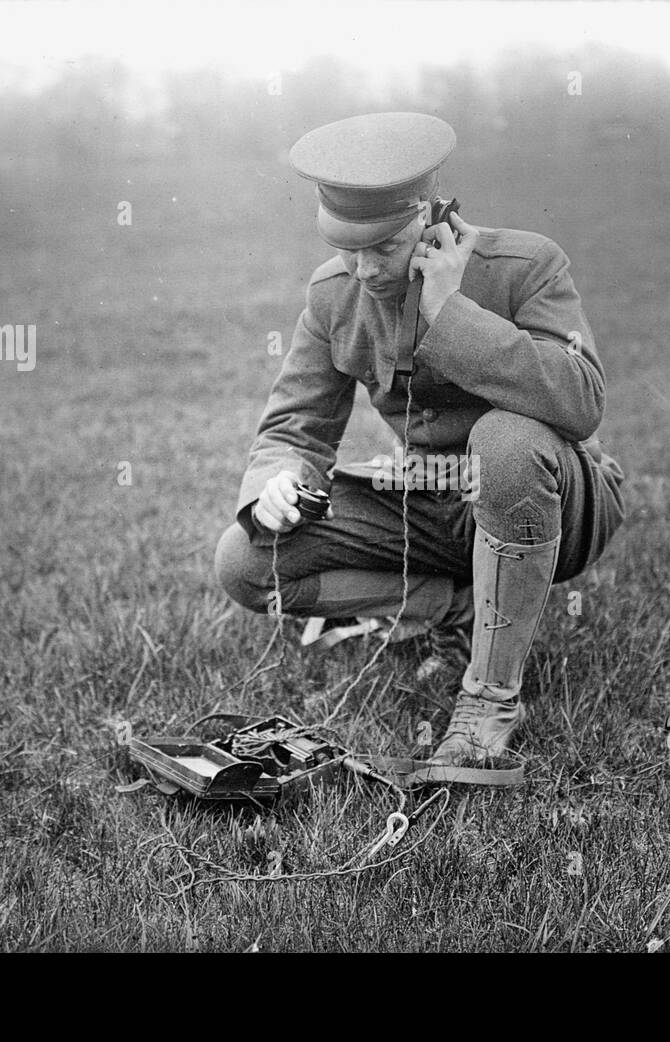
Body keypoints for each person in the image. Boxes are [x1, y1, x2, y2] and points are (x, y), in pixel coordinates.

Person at [214, 112, 625, 765]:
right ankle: (452, 610)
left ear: (434, 216)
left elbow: (581, 402)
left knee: (506, 441)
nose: (364, 268)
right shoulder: (332, 296)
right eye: (347, 249)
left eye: (383, 247)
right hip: (436, 503)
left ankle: (489, 700)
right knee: (245, 562)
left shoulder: (525, 264)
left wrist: (450, 312)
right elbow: (297, 423)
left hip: (557, 499)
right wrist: (278, 481)